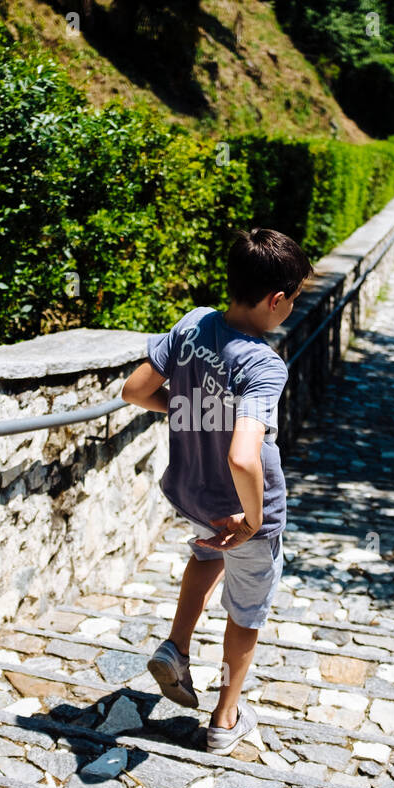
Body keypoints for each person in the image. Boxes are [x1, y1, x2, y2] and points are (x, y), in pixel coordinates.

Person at [120, 227, 311, 754]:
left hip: (193, 492)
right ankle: (225, 718)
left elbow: (135, 391)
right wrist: (251, 519)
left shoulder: (193, 323)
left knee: (205, 557)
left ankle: (176, 647)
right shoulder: (263, 364)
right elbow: (243, 456)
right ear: (276, 300)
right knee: (246, 612)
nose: (291, 309)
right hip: (243, 511)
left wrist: (190, 411)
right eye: (293, 300)